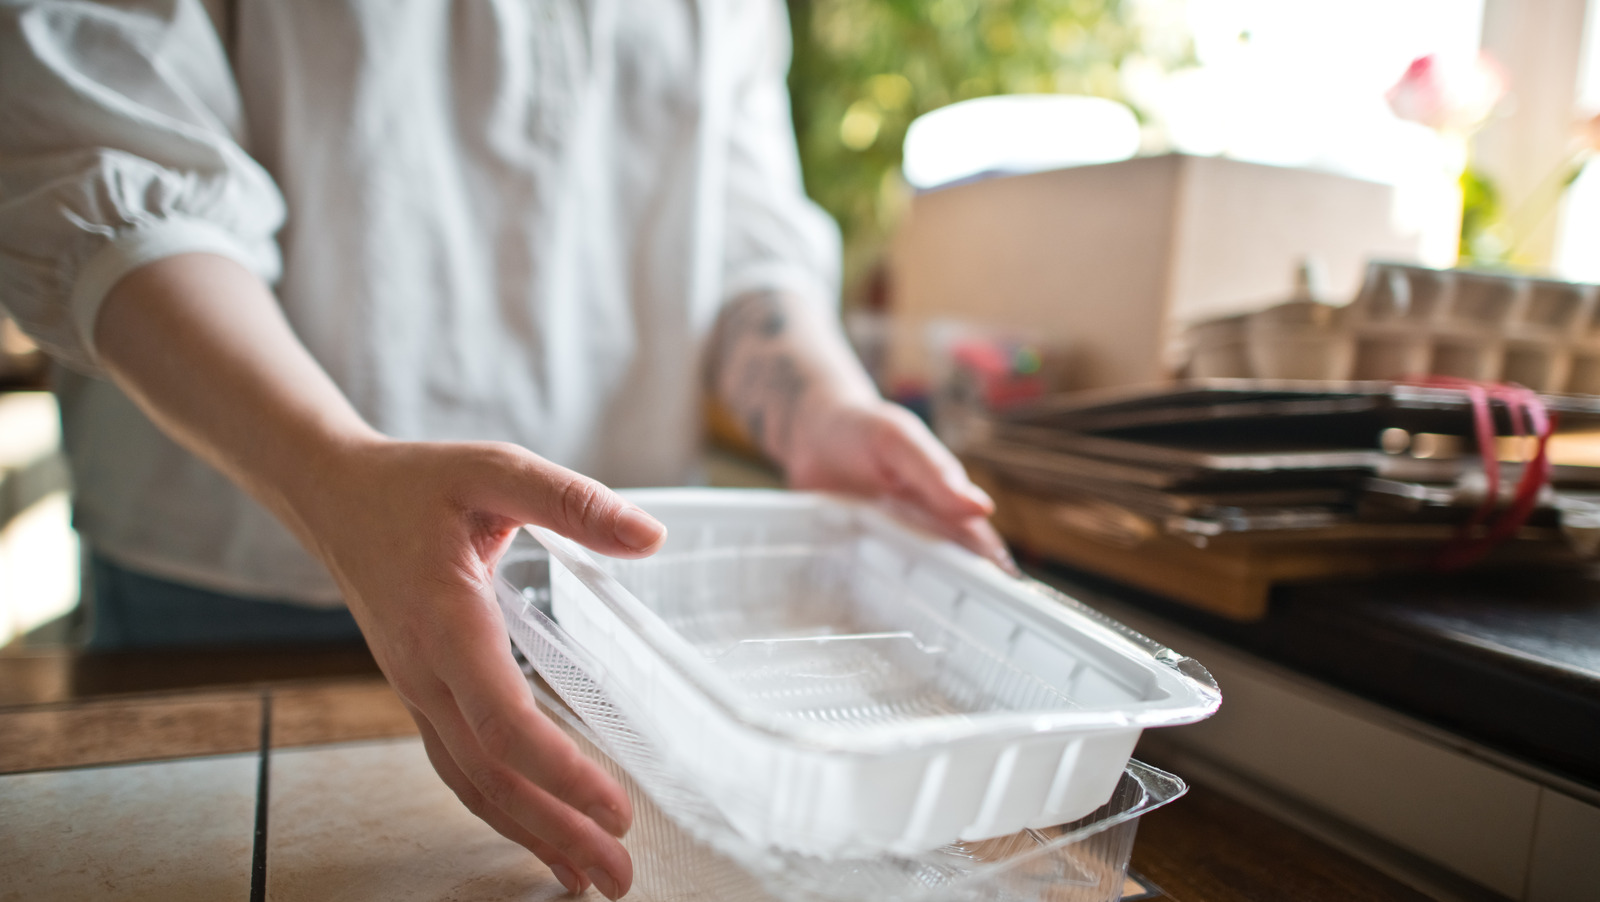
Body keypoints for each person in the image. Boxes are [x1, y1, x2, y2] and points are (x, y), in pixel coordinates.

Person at [0, 1, 1010, 897]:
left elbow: (738, 234)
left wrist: (821, 406)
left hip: (602, 613)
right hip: (231, 588)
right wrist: (332, 467)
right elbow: (100, 167)